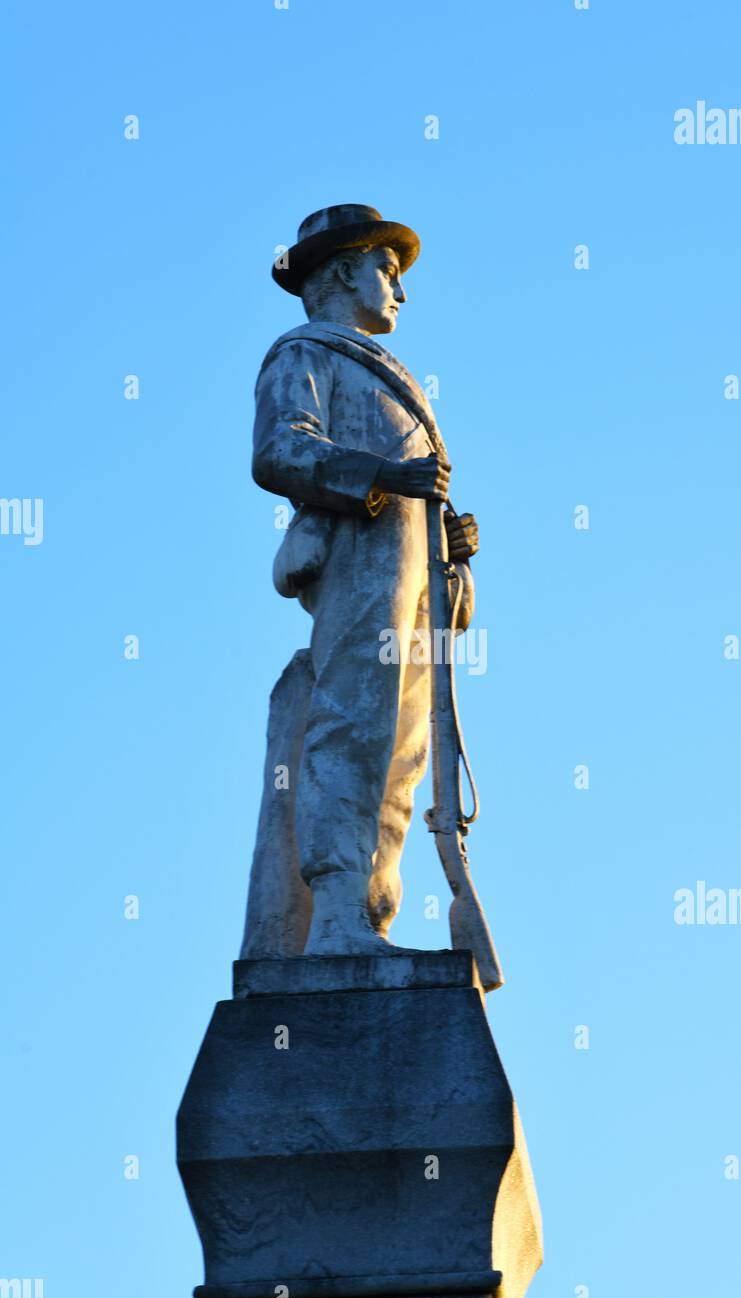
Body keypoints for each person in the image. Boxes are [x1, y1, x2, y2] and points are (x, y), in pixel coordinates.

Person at [240, 205, 479, 960]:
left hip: (410, 560)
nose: (400, 291)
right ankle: (337, 911)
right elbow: (280, 449)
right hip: (360, 549)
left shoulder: (384, 372)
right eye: (387, 270)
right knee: (353, 720)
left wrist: (452, 551)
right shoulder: (302, 352)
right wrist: (382, 477)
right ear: (342, 272)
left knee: (406, 746)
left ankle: (372, 916)